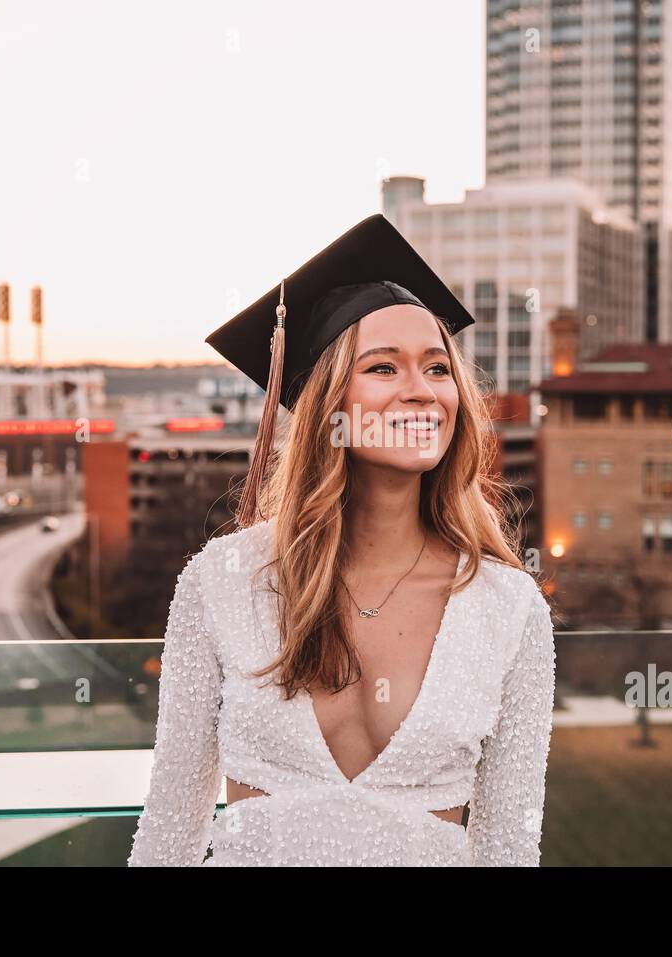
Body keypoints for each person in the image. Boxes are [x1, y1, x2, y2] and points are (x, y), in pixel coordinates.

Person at [127, 214, 557, 866]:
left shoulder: (508, 607)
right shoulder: (224, 581)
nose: (420, 391)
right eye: (384, 368)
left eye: (438, 368)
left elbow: (507, 848)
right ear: (330, 404)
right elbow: (169, 831)